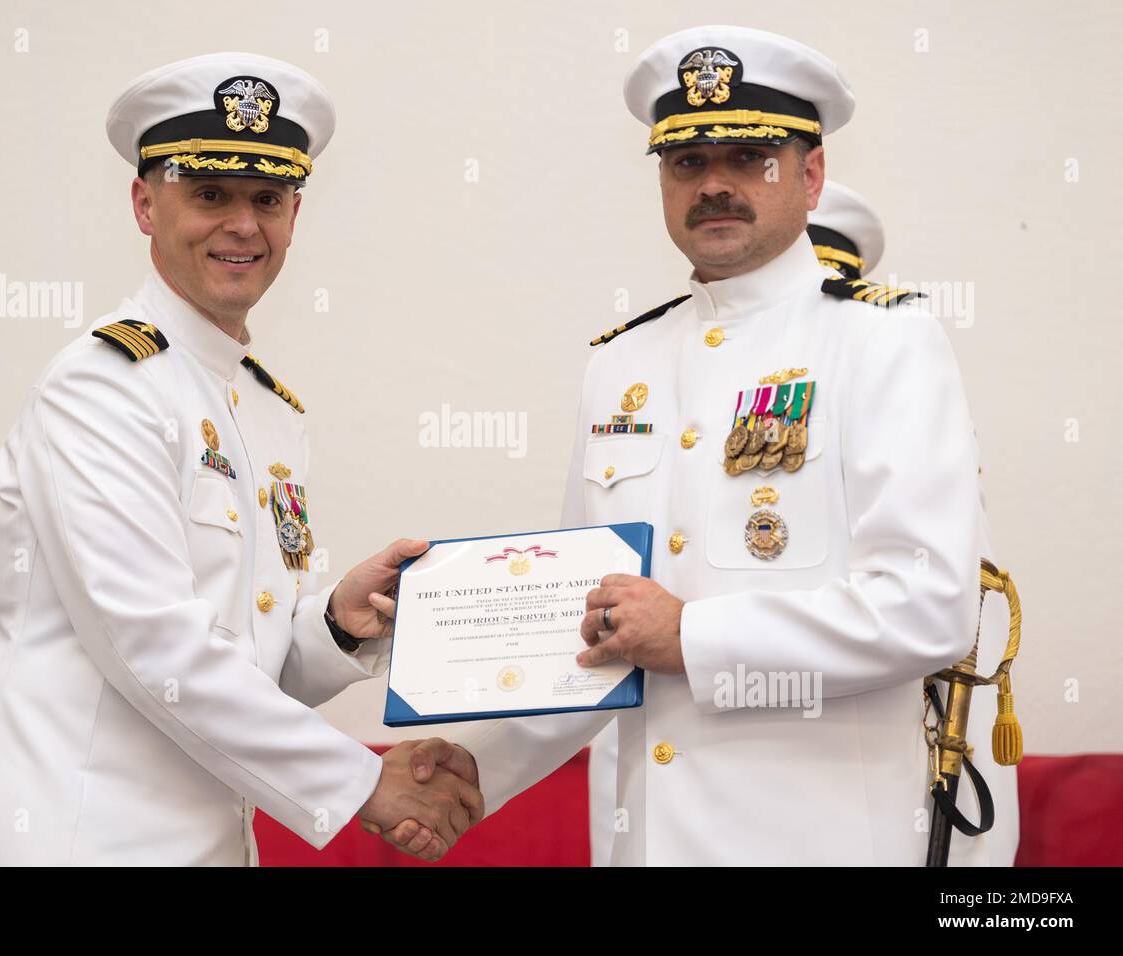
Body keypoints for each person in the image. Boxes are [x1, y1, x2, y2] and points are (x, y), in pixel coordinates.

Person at [374, 24, 996, 865]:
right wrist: (472, 769)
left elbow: (928, 608)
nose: (715, 186)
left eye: (748, 159)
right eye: (687, 163)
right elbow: (587, 629)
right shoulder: (620, 362)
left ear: (809, 175)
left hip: (819, 844)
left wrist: (693, 638)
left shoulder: (884, 341)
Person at [0, 52, 482, 866]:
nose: (242, 225)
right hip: (72, 836)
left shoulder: (264, 407)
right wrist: (367, 784)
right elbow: (156, 646)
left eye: (267, 199)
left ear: (295, 214)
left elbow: (236, 656)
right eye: (209, 194)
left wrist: (333, 621)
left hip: (208, 843)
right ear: (144, 204)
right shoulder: (101, 387)